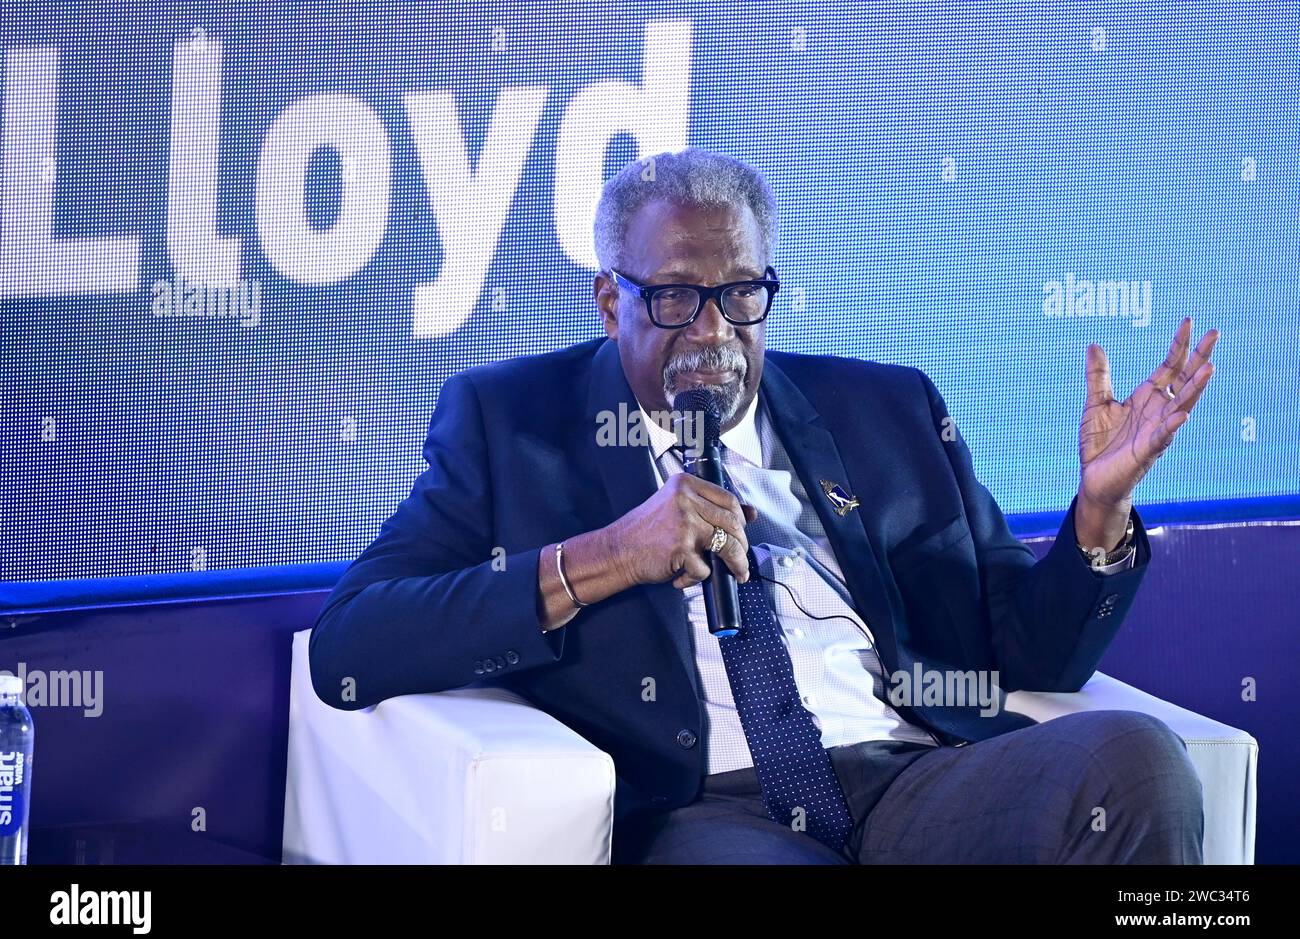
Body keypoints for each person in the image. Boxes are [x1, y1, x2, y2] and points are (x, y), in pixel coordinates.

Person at [309, 148, 1219, 864]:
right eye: (673, 297)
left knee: (1134, 765)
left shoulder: (889, 410)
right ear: (608, 299)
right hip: (707, 806)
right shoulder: (511, 425)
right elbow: (353, 645)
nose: (713, 330)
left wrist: (1099, 509)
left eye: (740, 292)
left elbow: (1033, 654)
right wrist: (613, 556)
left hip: (910, 779)